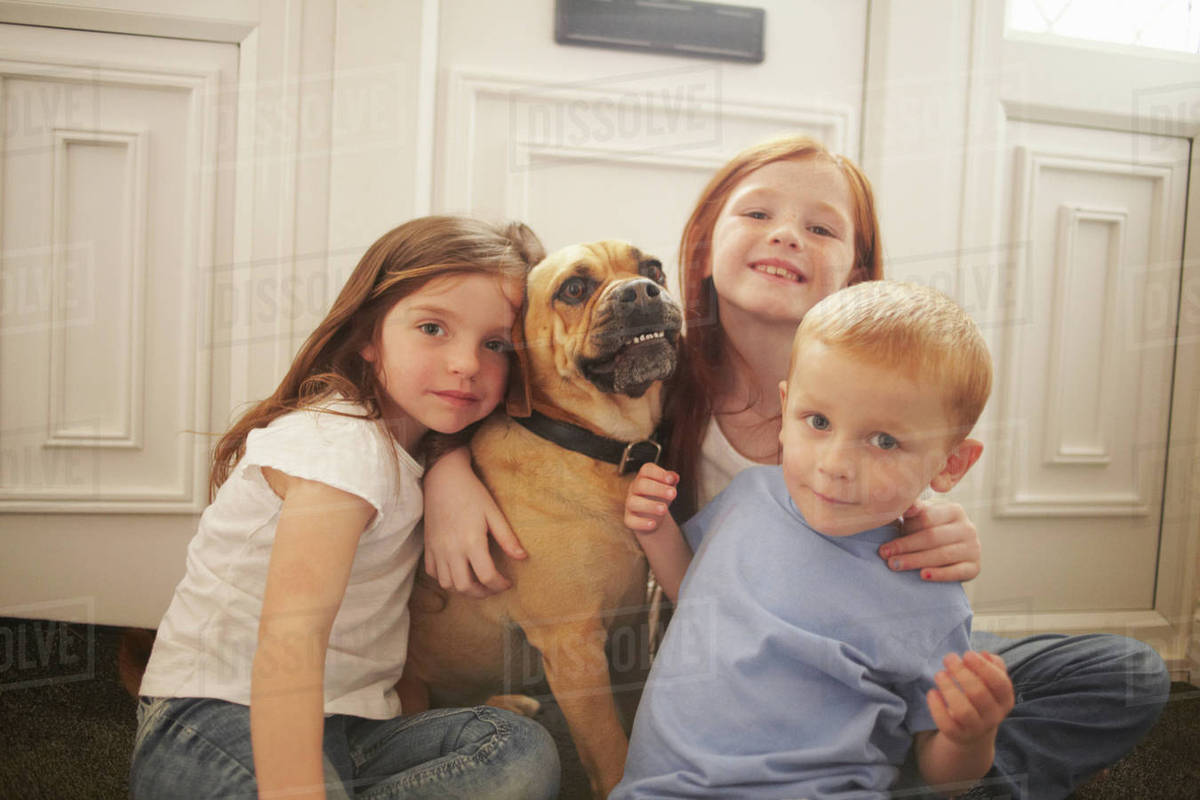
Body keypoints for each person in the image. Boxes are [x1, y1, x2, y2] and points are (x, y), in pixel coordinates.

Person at [422, 136, 1170, 798]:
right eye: (757, 214)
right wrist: (446, 466)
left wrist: (942, 526)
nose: (786, 235)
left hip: (871, 644)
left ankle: (936, 779)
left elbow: (926, 500)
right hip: (743, 667)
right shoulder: (649, 384)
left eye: (820, 228)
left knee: (1125, 673)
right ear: (704, 244)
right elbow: (502, 401)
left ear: (856, 269)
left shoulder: (890, 381)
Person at [129, 217, 560, 800]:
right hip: (220, 714)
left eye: (497, 344)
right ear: (367, 334)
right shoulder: (339, 447)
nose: (466, 363)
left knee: (515, 748)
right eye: (432, 328)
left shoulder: (423, 443)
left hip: (347, 726)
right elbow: (291, 642)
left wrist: (450, 462)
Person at [614, 280, 1012, 798]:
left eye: (885, 441)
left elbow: (944, 778)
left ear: (951, 464)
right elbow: (694, 592)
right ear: (786, 410)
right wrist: (655, 528)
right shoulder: (750, 495)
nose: (835, 464)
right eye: (818, 421)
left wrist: (971, 737)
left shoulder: (933, 602)